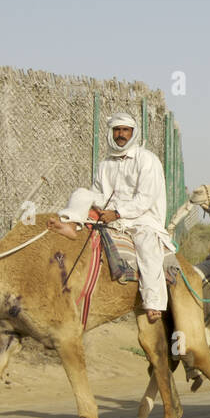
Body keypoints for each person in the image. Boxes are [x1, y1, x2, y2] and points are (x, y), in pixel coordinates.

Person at [46, 113, 173, 322]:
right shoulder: (106, 163)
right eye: (116, 130)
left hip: (141, 218)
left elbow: (146, 198)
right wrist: (99, 207)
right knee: (81, 193)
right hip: (110, 213)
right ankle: (70, 224)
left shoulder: (147, 160)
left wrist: (118, 213)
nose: (120, 134)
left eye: (125, 130)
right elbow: (98, 191)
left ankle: (154, 303)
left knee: (147, 247)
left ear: (133, 133)